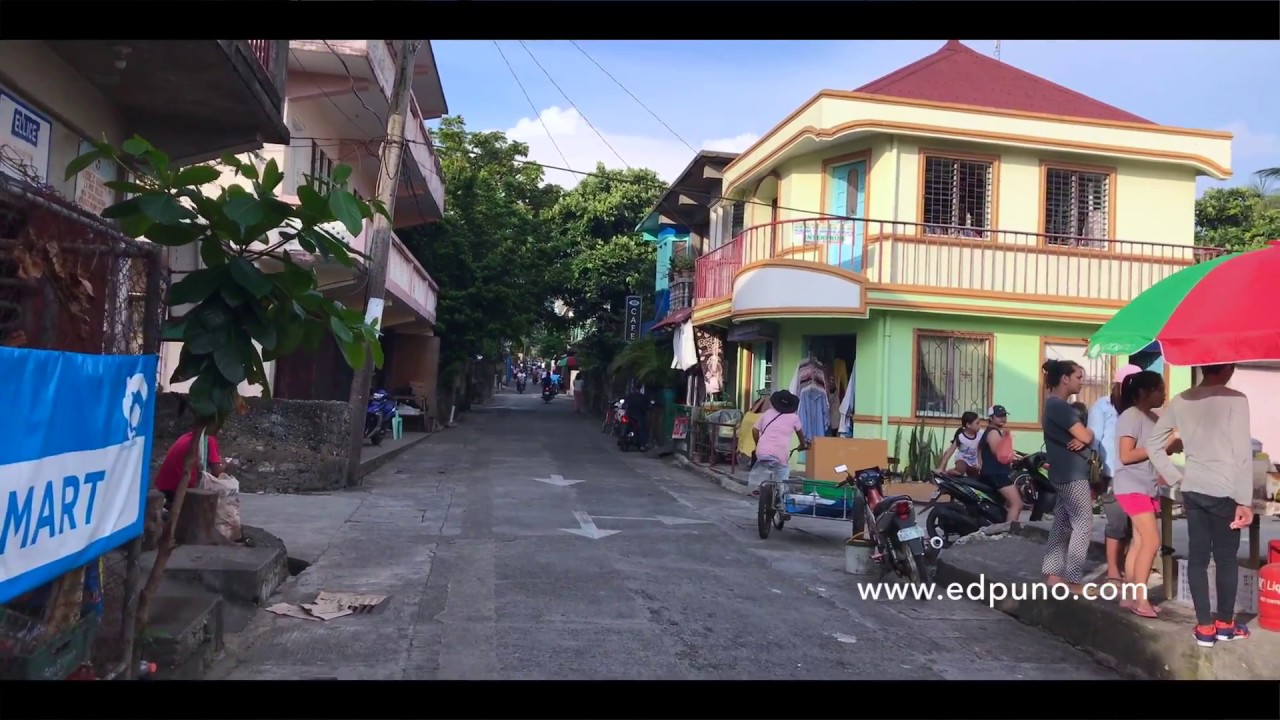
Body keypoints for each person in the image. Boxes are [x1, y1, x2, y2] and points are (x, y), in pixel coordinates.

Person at [1148, 363, 1254, 647]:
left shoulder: (1181, 399)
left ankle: (1205, 628)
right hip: (1225, 491)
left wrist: (1175, 478)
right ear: (1227, 366)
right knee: (1226, 559)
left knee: (1197, 559)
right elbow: (1243, 453)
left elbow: (1153, 444)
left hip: (1193, 489)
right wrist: (1245, 501)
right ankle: (1225, 625)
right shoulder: (1236, 399)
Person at [1112, 370, 1174, 619]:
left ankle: (1129, 596)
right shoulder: (1131, 416)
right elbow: (1127, 455)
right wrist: (1159, 446)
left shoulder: (1153, 418)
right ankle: (1141, 598)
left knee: (1139, 543)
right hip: (1131, 485)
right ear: (1143, 393)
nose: (1164, 394)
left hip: (1146, 486)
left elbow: (1158, 450)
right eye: (1160, 389)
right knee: (1151, 541)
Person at [1040, 359, 1096, 593]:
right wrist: (1089, 433)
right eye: (1078, 377)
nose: (1081, 382)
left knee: (1062, 523)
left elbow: (1080, 436)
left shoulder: (1052, 405)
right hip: (1072, 474)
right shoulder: (1060, 406)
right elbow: (1085, 436)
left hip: (1062, 472)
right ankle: (1073, 580)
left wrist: (1083, 436)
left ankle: (1053, 574)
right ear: (1065, 379)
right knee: (1083, 523)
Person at [1089, 364, 1143, 590]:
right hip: (1110, 475)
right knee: (1117, 523)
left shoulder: (1138, 410)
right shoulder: (1103, 407)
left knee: (1133, 527)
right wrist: (1097, 473)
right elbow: (1093, 440)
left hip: (1136, 476)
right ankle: (1112, 569)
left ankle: (1125, 568)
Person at [748, 390, 807, 498]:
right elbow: (801, 435)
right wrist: (803, 445)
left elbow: (755, 430)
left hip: (762, 451)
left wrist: (758, 445)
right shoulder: (794, 418)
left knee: (765, 466)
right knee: (783, 472)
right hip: (780, 454)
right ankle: (781, 497)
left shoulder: (768, 413)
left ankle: (758, 486)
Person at [978, 405, 1022, 524]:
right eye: (999, 416)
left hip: (993, 472)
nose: (1003, 418)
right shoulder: (993, 432)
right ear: (991, 418)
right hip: (996, 473)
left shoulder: (993, 432)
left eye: (1004, 415)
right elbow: (999, 454)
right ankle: (1008, 532)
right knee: (1017, 504)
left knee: (1005, 503)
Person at [155, 430, 222, 508]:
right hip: (179, 490)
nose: (220, 432)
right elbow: (217, 472)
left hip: (163, 486)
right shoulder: (208, 440)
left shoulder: (188, 437)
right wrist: (229, 467)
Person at [936, 411, 982, 477]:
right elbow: (950, 452)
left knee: (975, 477)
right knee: (960, 471)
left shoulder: (979, 435)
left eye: (979, 423)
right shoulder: (961, 436)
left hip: (972, 463)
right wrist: (941, 468)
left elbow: (980, 451)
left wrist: (980, 464)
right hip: (961, 460)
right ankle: (950, 471)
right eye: (977, 423)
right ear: (968, 425)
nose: (979, 426)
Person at [624, 383, 650, 448]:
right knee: (642, 430)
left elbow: (625, 404)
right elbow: (648, 406)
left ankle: (624, 437)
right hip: (639, 415)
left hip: (629, 414)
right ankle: (642, 445)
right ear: (640, 389)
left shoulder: (630, 395)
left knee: (627, 427)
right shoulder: (643, 397)